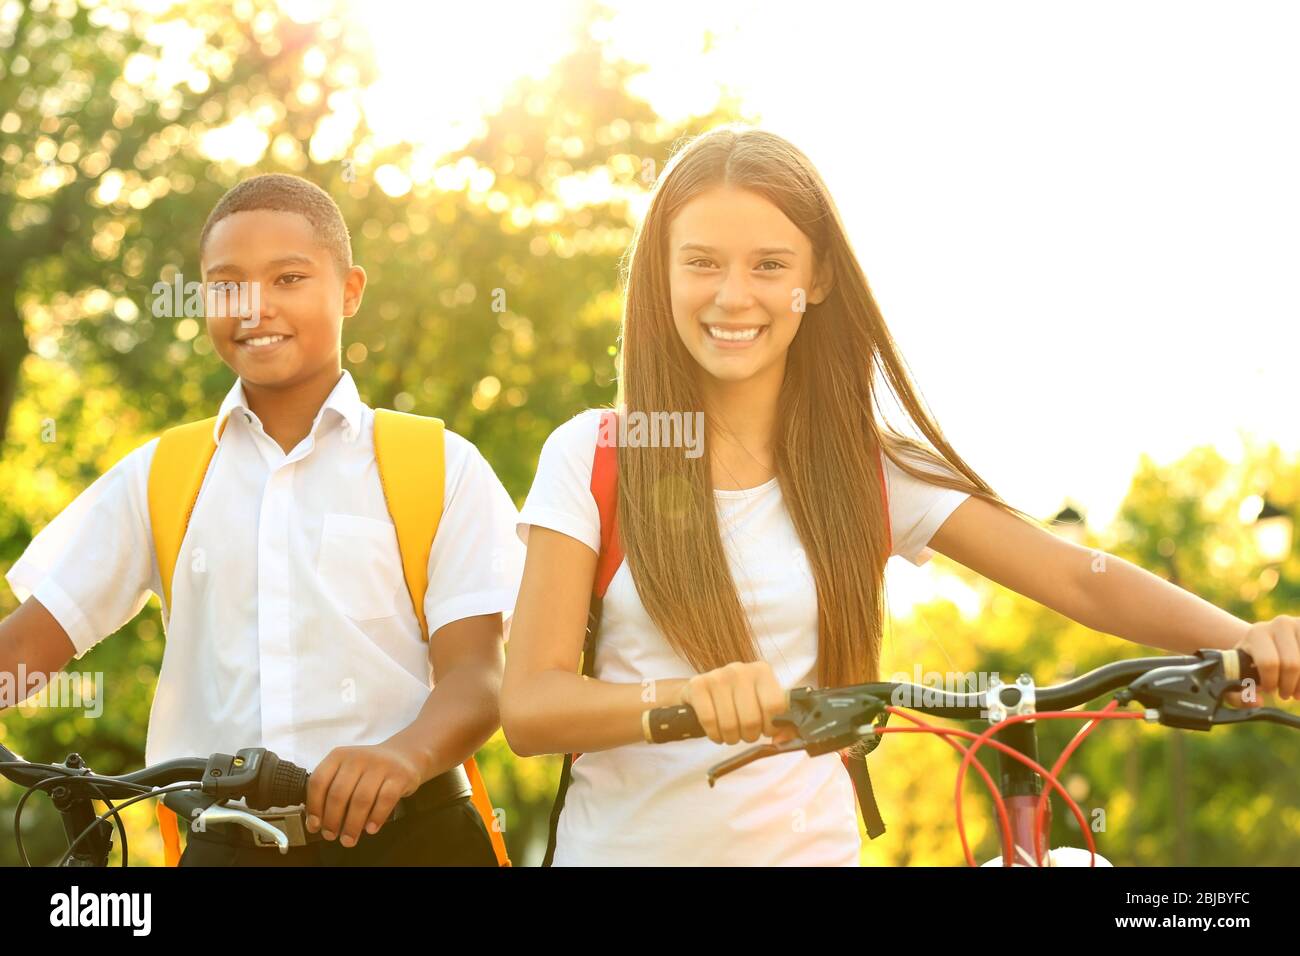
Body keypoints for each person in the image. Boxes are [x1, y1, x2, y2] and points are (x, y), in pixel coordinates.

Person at [500, 126, 1300, 866]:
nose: (734, 295)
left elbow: (1072, 575)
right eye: (702, 261)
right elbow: (530, 708)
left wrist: (1253, 640)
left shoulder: (867, 472)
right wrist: (684, 697)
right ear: (661, 273)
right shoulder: (598, 454)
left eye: (769, 265)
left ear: (815, 279)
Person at [0, 173, 524, 866]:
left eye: (289, 278)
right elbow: (32, 641)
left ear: (350, 290)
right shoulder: (162, 473)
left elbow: (478, 679)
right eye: (227, 285)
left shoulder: (438, 464)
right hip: (228, 848)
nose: (255, 307)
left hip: (414, 838)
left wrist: (404, 754)